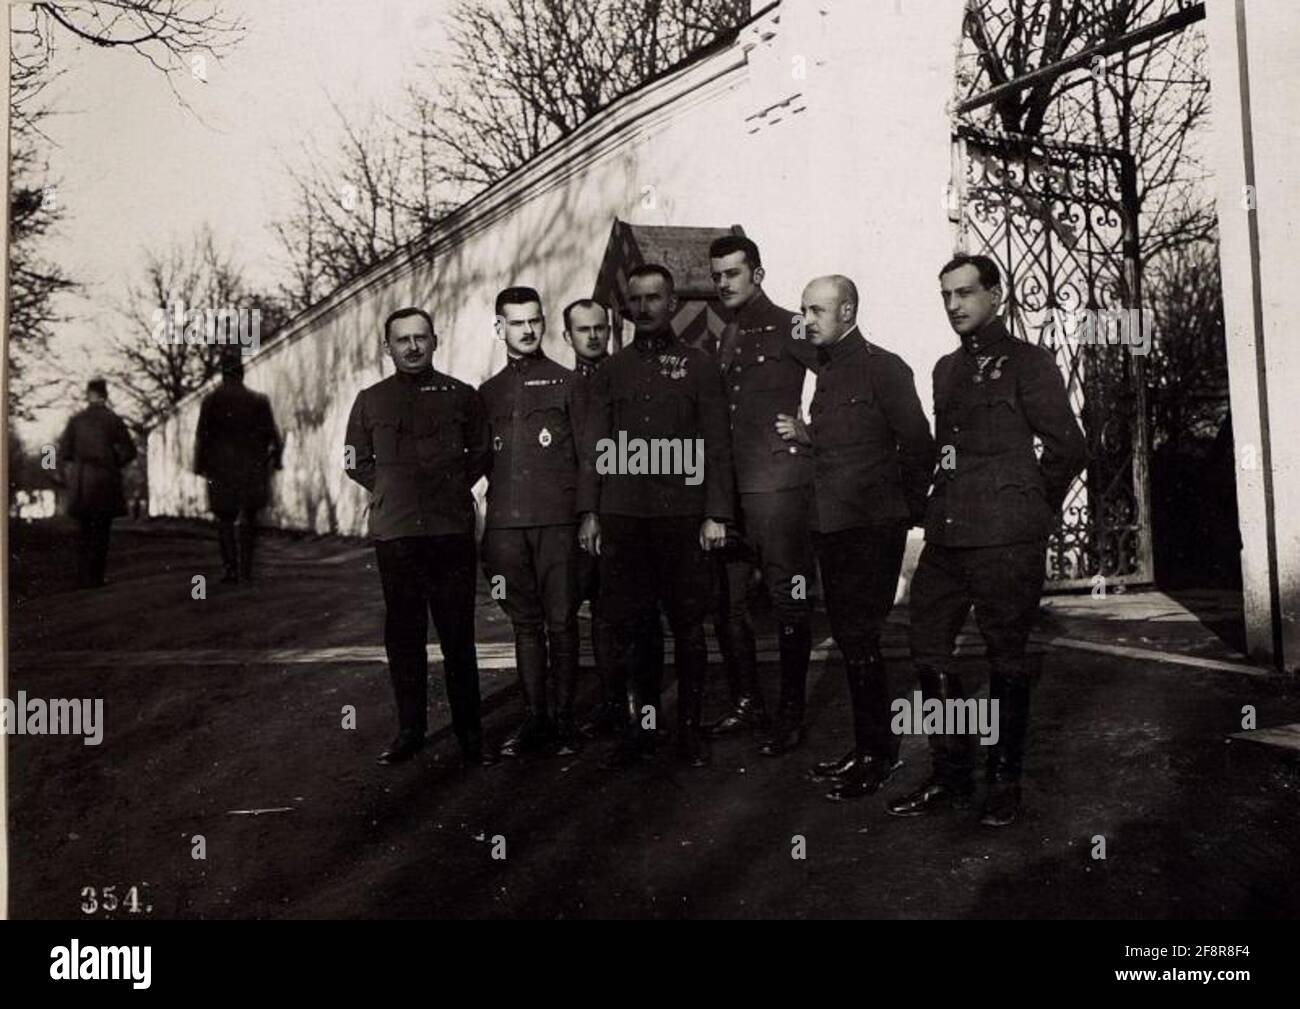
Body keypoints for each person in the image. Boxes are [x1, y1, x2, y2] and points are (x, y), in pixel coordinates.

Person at [886, 254, 1087, 826]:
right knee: (926, 649)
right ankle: (950, 775)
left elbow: (1069, 448)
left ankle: (1003, 781)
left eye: (966, 293)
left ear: (995, 295)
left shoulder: (1030, 363)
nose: (954, 305)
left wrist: (1026, 506)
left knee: (1006, 657)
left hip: (1006, 541)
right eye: (946, 294)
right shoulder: (946, 369)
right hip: (948, 537)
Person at [778, 276, 934, 800]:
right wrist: (809, 436)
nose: (807, 319)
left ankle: (877, 754)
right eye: (803, 309)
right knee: (850, 640)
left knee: (862, 640)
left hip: (870, 527)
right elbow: (847, 441)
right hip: (832, 526)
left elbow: (917, 443)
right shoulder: (826, 369)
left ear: (847, 310)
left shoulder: (883, 367)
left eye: (817, 309)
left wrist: (903, 514)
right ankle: (866, 745)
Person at [577, 263, 734, 769]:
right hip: (626, 517)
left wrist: (716, 513)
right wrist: (591, 512)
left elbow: (717, 444)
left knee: (689, 627)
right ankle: (643, 729)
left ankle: (689, 731)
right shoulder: (610, 371)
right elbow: (596, 448)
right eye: (636, 299)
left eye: (654, 298)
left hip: (683, 517)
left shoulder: (699, 365)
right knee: (636, 628)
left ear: (672, 304)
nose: (644, 307)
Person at [343, 306, 496, 768]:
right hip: (398, 535)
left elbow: (483, 452)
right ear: (386, 347)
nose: (412, 346)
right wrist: (391, 490)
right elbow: (354, 458)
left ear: (435, 341)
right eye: (402, 339)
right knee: (405, 636)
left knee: (457, 635)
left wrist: (448, 489)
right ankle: (410, 730)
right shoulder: (371, 400)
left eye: (421, 337)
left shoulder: (461, 395)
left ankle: (471, 734)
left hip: (449, 531)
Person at [706, 235, 822, 756]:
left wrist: (812, 429)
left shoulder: (789, 325)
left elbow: (840, 372)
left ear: (758, 273)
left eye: (734, 273)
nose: (724, 282)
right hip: (733, 496)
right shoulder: (725, 333)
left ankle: (791, 715)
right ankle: (747, 701)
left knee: (787, 601)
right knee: (727, 604)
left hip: (778, 489)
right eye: (718, 275)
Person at [480, 287, 583, 757]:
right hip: (505, 528)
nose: (527, 330)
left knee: (560, 622)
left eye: (534, 321)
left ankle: (564, 723)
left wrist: (588, 517)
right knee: (524, 624)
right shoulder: (486, 394)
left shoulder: (568, 383)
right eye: (516, 323)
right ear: (499, 327)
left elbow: (588, 459)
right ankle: (535, 719)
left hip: (558, 525)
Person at [193, 351, 283, 583]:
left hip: (220, 470)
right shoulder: (258, 401)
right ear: (242, 373)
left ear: (222, 374)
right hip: (252, 470)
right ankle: (246, 570)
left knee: (224, 519)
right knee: (249, 518)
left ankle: (230, 569)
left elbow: (202, 436)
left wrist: (199, 465)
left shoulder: (210, 401)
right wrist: (277, 460)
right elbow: (273, 435)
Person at [56, 379, 137, 588]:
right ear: (105, 395)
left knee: (84, 531)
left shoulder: (76, 421)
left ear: (88, 395)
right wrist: (116, 462)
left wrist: (67, 473)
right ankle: (97, 577)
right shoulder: (113, 420)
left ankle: (83, 577)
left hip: (82, 482)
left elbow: (63, 452)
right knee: (102, 531)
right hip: (105, 480)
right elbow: (130, 450)